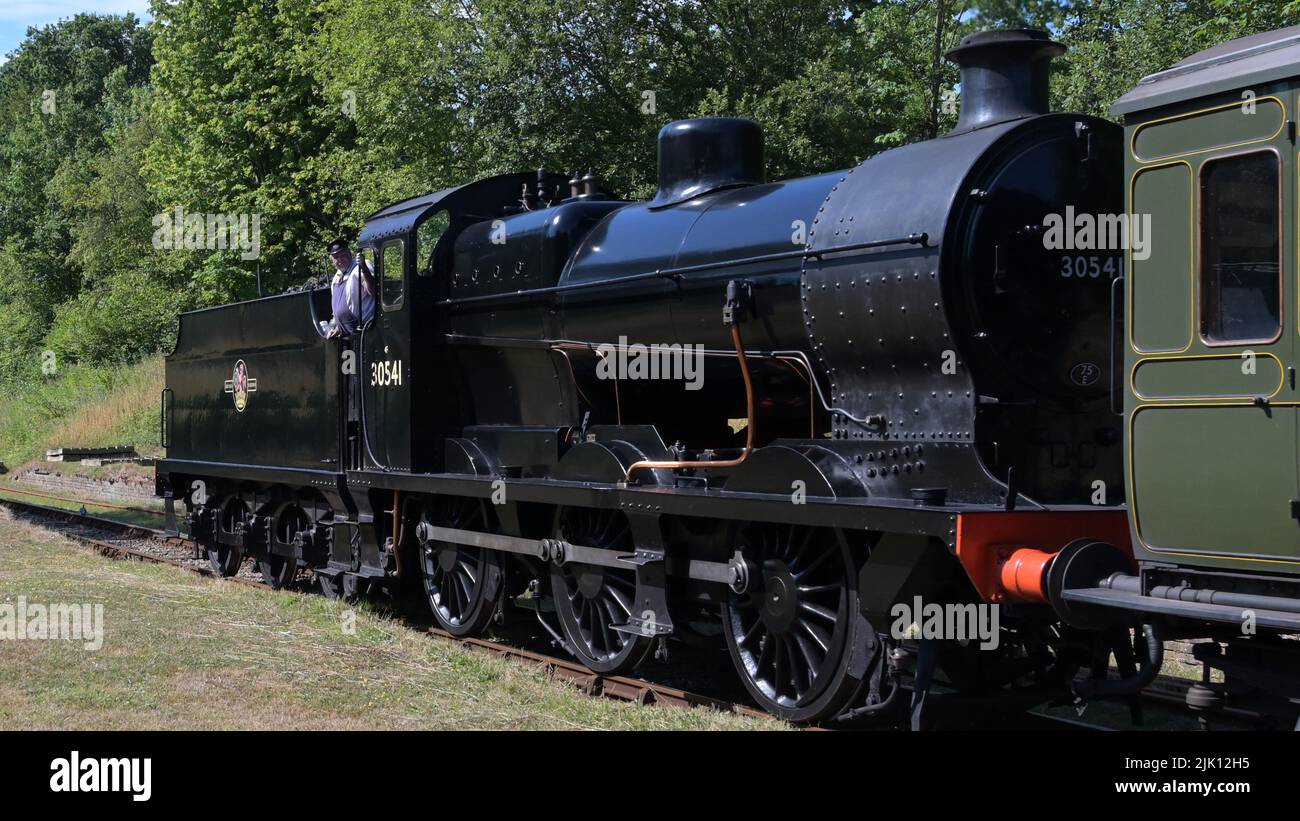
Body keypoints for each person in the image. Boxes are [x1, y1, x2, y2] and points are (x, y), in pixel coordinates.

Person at [327, 238, 376, 338]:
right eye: (336, 257)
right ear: (332, 259)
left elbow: (374, 291)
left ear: (349, 253)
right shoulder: (336, 277)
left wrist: (364, 268)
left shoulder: (361, 266)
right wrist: (337, 328)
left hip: (363, 332)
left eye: (343, 255)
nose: (340, 260)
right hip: (346, 334)